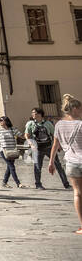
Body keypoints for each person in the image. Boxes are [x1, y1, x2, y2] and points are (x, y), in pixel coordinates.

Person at [46, 94, 82, 234]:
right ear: (75, 109)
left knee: (78, 194)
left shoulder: (59, 125)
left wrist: (51, 162)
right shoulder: (81, 124)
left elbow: (55, 145)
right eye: (80, 109)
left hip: (71, 163)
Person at [26, 107, 69, 190]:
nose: (33, 114)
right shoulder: (30, 124)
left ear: (40, 114)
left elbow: (54, 135)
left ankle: (66, 184)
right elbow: (27, 135)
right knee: (37, 167)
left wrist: (57, 145)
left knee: (58, 165)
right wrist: (31, 143)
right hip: (37, 149)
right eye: (32, 113)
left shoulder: (48, 124)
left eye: (35, 113)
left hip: (49, 148)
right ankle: (38, 184)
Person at [0, 117, 22, 189]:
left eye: (1, 120)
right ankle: (18, 183)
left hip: (12, 151)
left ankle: (4, 182)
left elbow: (21, 135)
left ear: (6, 121)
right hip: (4, 151)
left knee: (9, 167)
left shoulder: (13, 129)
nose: (0, 122)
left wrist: (28, 135)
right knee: (12, 167)